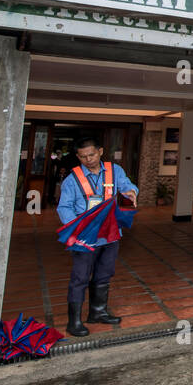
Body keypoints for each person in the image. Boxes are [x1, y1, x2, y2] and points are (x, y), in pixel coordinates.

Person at [55, 136, 138, 337]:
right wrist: (77, 228)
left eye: (91, 154)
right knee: (80, 277)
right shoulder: (72, 179)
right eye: (83, 157)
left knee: (104, 274)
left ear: (100, 151)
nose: (88, 159)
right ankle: (74, 321)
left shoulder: (114, 171)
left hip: (110, 235)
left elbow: (128, 186)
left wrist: (130, 192)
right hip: (85, 238)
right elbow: (64, 207)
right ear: (78, 157)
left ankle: (98, 312)